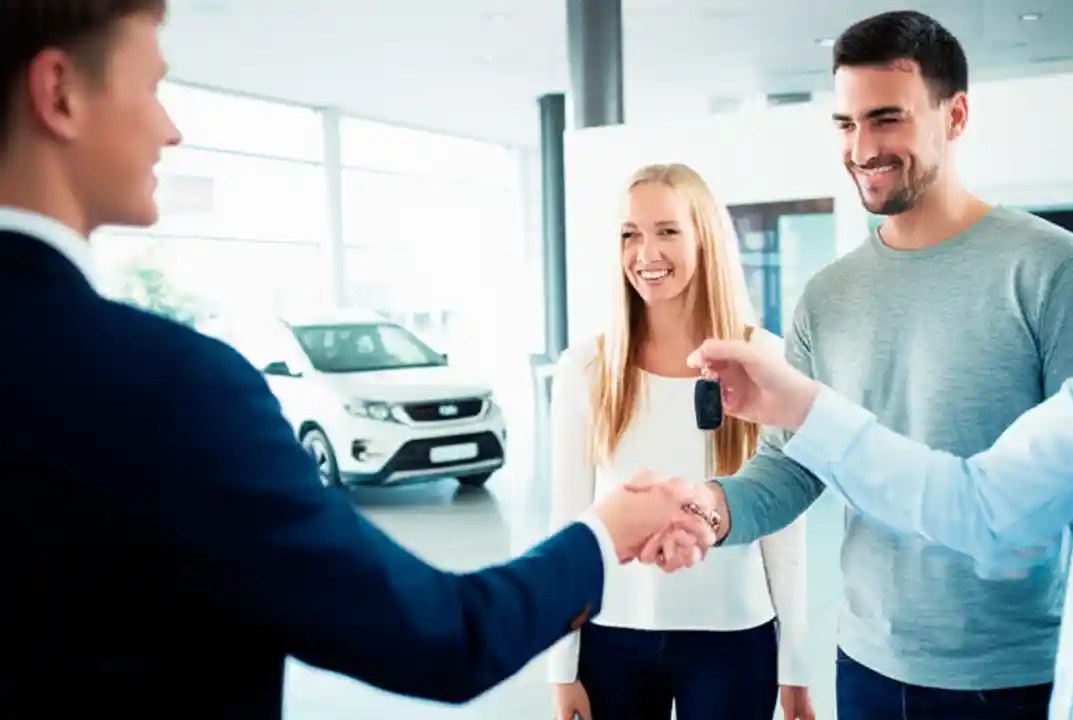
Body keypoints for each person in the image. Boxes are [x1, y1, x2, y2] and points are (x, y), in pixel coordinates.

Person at [0, 2, 714, 717]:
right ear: (59, 90)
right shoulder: (170, 389)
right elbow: (445, 636)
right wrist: (606, 529)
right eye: (153, 87)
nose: (172, 128)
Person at [657, 0, 1073, 718]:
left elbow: (1058, 516)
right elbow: (963, 502)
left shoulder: (1058, 270)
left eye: (886, 117)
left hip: (1011, 674)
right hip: (868, 659)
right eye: (846, 123)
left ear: (954, 117)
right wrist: (720, 502)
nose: (861, 146)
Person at [548, 163, 814, 720]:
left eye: (667, 231)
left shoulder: (762, 358)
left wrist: (796, 671)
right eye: (630, 233)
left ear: (704, 237)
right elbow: (569, 526)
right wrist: (561, 668)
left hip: (734, 638)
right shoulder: (587, 368)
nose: (647, 252)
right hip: (612, 637)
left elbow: (783, 532)